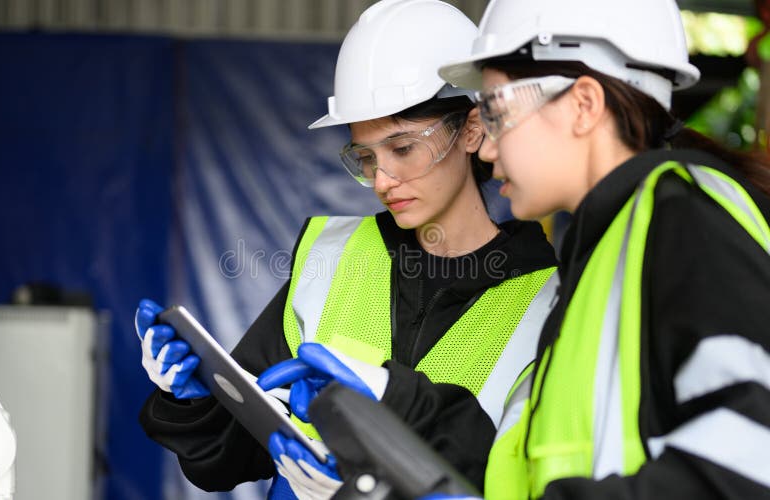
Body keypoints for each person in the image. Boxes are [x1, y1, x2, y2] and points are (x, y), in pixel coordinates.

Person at [135, 0, 557, 498]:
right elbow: (227, 460)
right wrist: (194, 399)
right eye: (365, 157)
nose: (382, 180)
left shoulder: (548, 303)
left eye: (402, 148)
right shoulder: (331, 257)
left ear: (471, 129)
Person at [422, 0, 770, 498]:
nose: (486, 148)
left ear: (584, 105)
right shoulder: (606, 252)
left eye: (496, 113)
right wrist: (401, 405)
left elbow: (754, 456)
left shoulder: (682, 218)